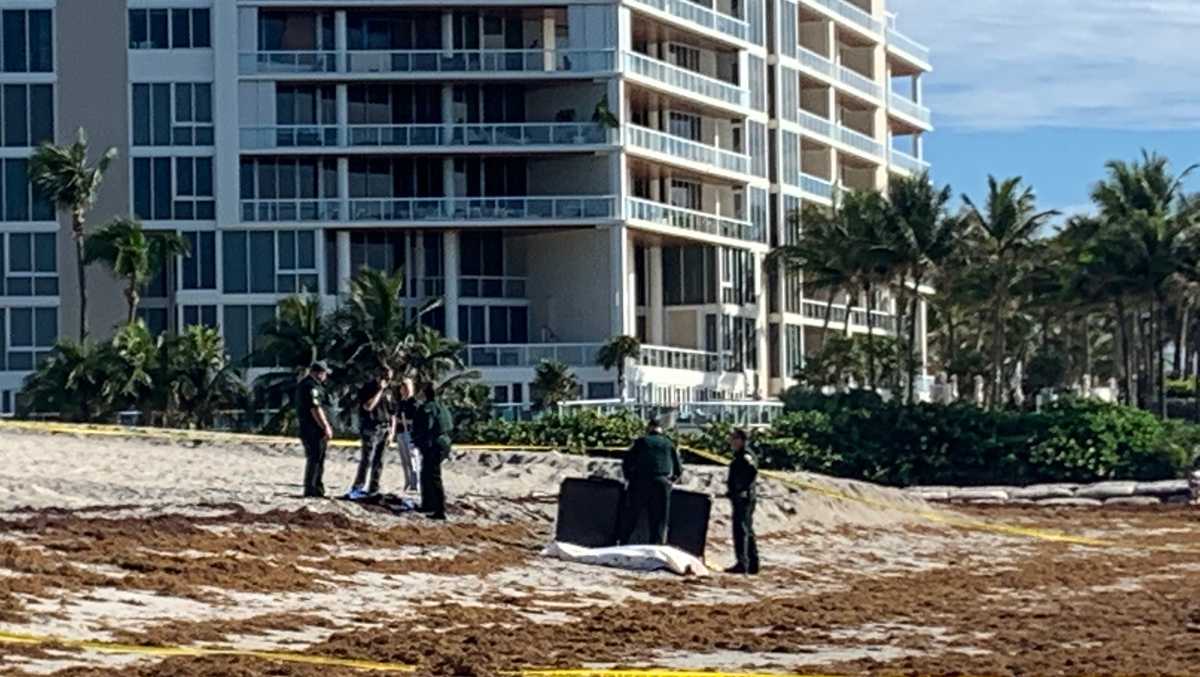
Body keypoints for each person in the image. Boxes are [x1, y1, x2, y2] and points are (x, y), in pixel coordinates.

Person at [618, 418, 682, 545]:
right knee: (659, 518)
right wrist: (671, 480)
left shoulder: (642, 442)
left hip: (640, 481)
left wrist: (629, 478)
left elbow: (627, 462)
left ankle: (623, 543)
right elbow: (678, 468)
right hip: (662, 483)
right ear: (661, 429)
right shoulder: (669, 443)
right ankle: (656, 547)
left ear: (649, 427)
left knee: (632, 514)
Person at [349, 365, 396, 498]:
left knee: (379, 460)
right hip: (371, 427)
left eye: (389, 377)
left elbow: (393, 412)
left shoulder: (390, 391)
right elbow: (368, 407)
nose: (387, 380)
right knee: (367, 459)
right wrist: (379, 391)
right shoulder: (368, 388)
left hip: (385, 427)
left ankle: (374, 487)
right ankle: (358, 485)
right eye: (385, 376)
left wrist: (392, 431)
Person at [412, 382, 454, 520]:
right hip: (443, 443)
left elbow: (426, 426)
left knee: (433, 476)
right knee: (426, 473)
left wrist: (419, 440)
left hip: (433, 444)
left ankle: (439, 509)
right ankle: (428, 504)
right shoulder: (443, 407)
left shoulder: (428, 408)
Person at [725, 428, 760, 575]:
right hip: (741, 496)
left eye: (734, 438)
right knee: (746, 529)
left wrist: (741, 489)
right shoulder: (740, 455)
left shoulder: (745, 456)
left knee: (741, 530)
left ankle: (743, 563)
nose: (731, 441)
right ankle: (751, 564)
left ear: (741, 440)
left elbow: (751, 470)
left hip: (743, 497)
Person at [296, 361, 333, 498]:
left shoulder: (314, 385)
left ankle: (317, 487)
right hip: (313, 429)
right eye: (324, 373)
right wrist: (325, 426)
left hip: (314, 428)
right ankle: (311, 488)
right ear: (318, 372)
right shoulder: (310, 386)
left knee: (319, 458)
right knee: (315, 459)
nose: (325, 377)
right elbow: (315, 408)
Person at [393, 378, 421, 494]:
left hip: (410, 434)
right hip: (400, 433)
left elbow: (417, 420)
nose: (405, 390)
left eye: (408, 388)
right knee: (404, 461)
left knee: (413, 459)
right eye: (403, 388)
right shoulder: (400, 403)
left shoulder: (414, 403)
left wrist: (407, 422)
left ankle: (416, 484)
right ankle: (408, 482)